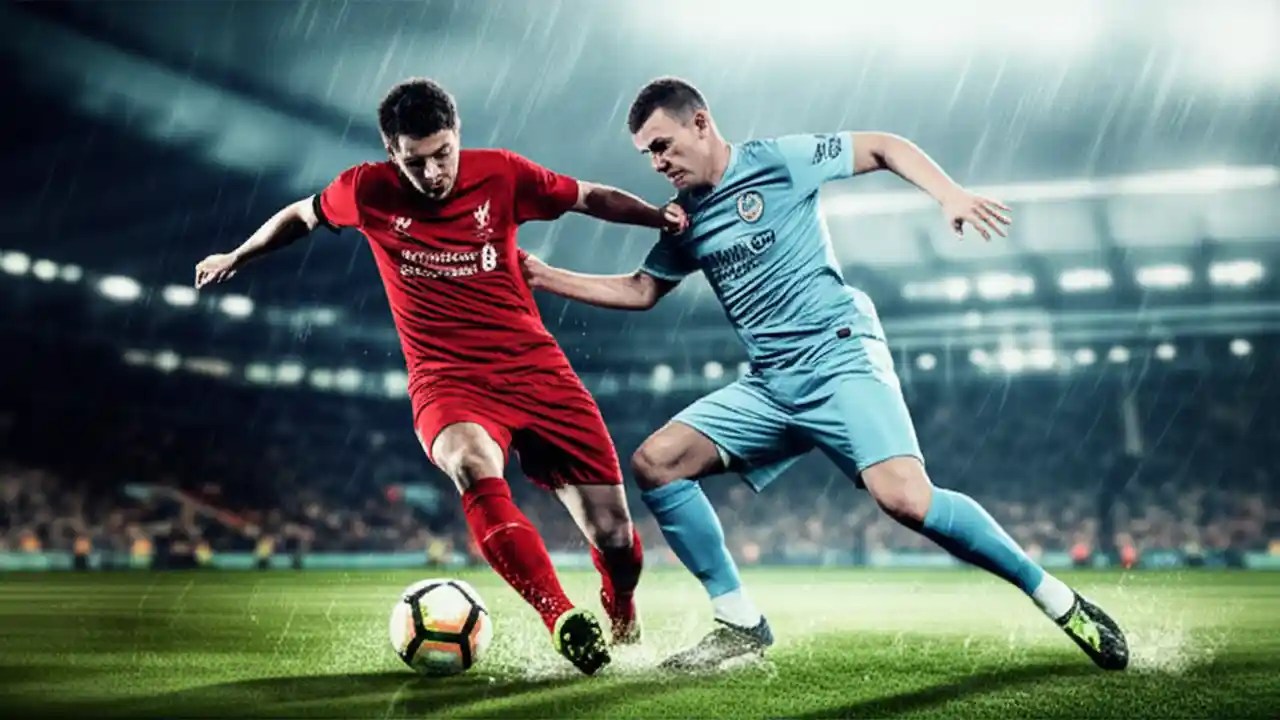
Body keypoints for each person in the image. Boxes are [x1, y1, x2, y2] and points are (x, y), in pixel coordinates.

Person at [521, 76, 1129, 672]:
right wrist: (547, 276)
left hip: (838, 357)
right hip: (770, 383)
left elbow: (885, 146)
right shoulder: (685, 219)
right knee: (657, 462)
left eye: (661, 145)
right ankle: (739, 623)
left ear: (700, 123)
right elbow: (642, 289)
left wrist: (949, 194)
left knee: (906, 500)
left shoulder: (779, 161)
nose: (655, 163)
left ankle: (1060, 601)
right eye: (646, 154)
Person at [195, 77, 687, 675]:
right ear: (391, 153)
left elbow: (590, 196)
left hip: (538, 371)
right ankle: (560, 617)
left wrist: (656, 217)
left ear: (458, 136)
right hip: (447, 379)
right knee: (467, 459)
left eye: (443, 154)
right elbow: (301, 215)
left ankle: (623, 609)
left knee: (613, 534)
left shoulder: (503, 174)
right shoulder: (365, 189)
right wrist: (237, 255)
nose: (432, 174)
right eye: (415, 162)